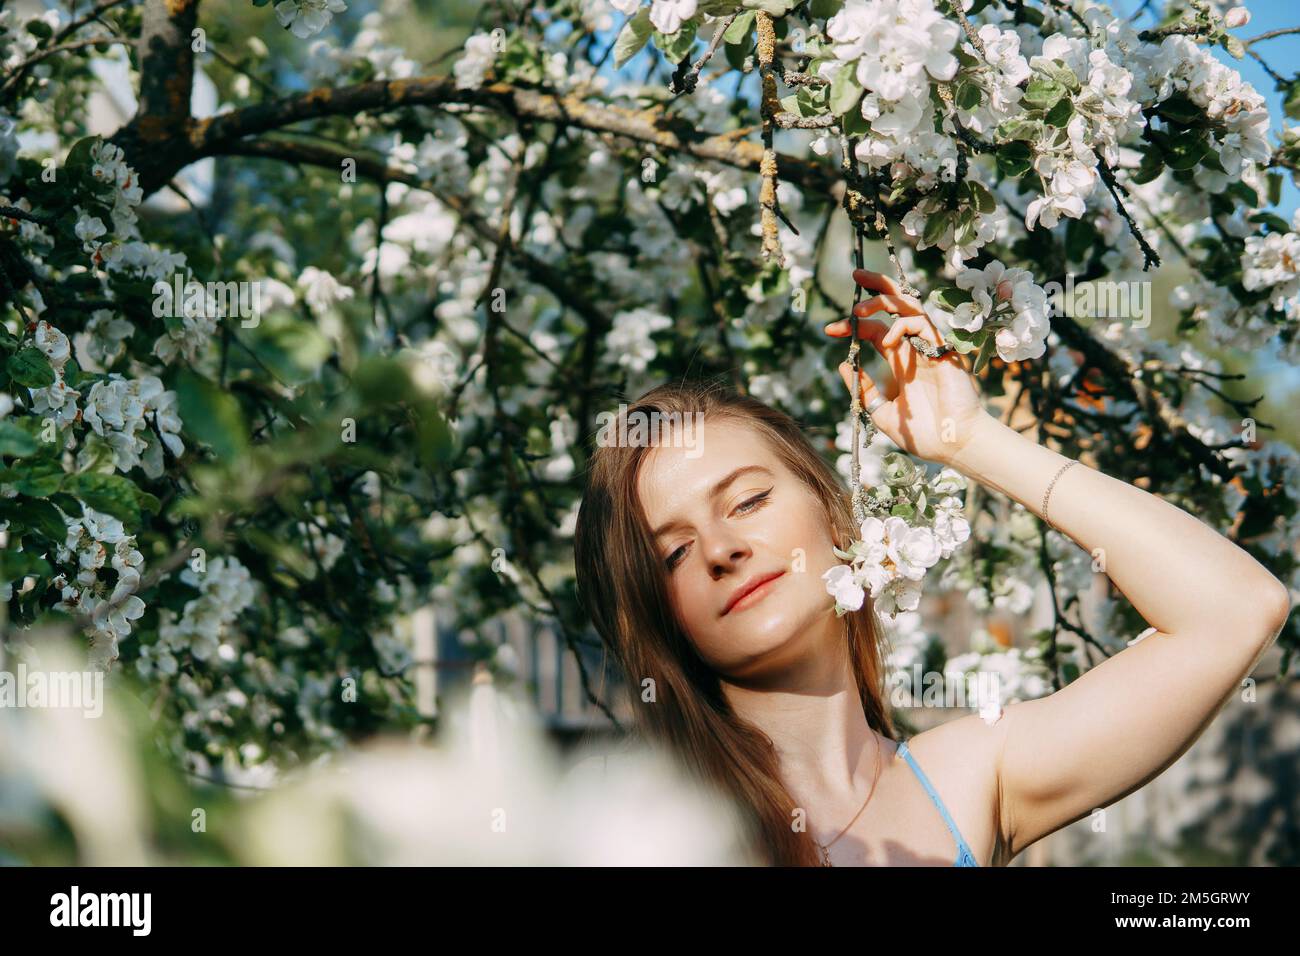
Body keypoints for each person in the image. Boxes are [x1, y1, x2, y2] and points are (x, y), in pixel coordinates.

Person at [571, 267, 1291, 866]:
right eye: (674, 551)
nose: (723, 549)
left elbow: (1233, 611)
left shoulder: (968, 776)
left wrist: (969, 441)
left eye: (750, 500)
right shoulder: (652, 829)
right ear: (654, 610)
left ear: (831, 510)